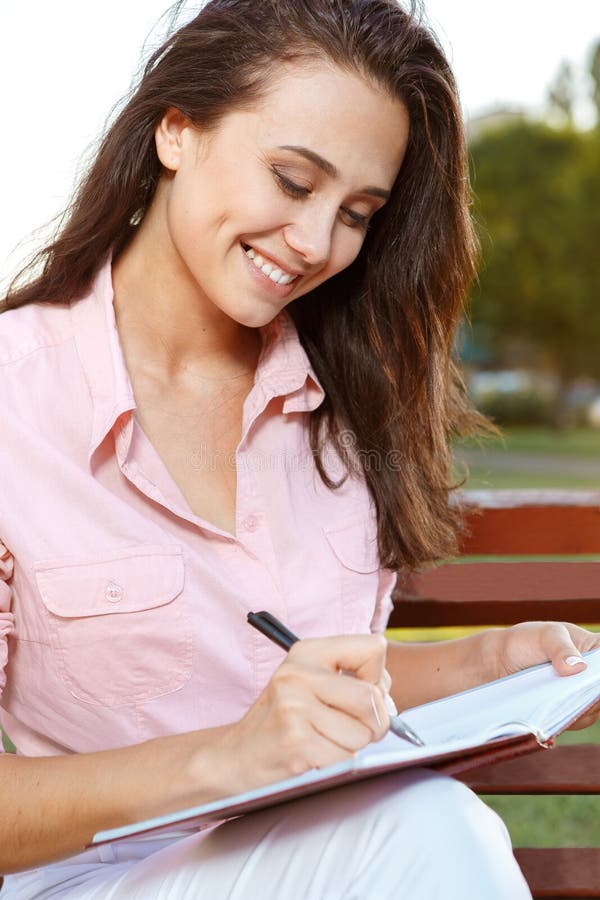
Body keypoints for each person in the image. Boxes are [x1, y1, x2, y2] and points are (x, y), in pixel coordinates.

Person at [0, 0, 598, 896]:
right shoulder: (16, 402)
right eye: (291, 179)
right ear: (176, 130)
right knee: (431, 828)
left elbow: (316, 679)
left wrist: (486, 664)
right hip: (105, 882)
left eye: (359, 212)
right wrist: (228, 759)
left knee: (422, 827)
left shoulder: (348, 394)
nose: (318, 243)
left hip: (337, 856)